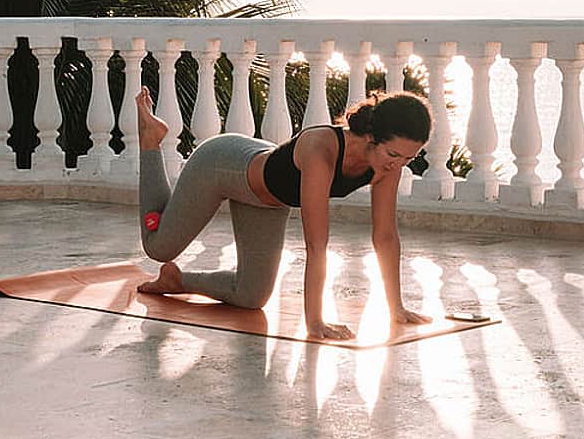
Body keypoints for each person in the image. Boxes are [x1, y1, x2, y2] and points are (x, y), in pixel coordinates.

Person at [133, 86, 433, 340]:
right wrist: (315, 322)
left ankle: (177, 280)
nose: (399, 164)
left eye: (409, 158)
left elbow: (385, 237)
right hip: (223, 167)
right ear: (370, 136)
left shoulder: (387, 165)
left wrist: (397, 307)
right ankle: (150, 140)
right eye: (394, 154)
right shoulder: (322, 151)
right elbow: (316, 245)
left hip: (269, 198)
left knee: (251, 297)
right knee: (158, 247)